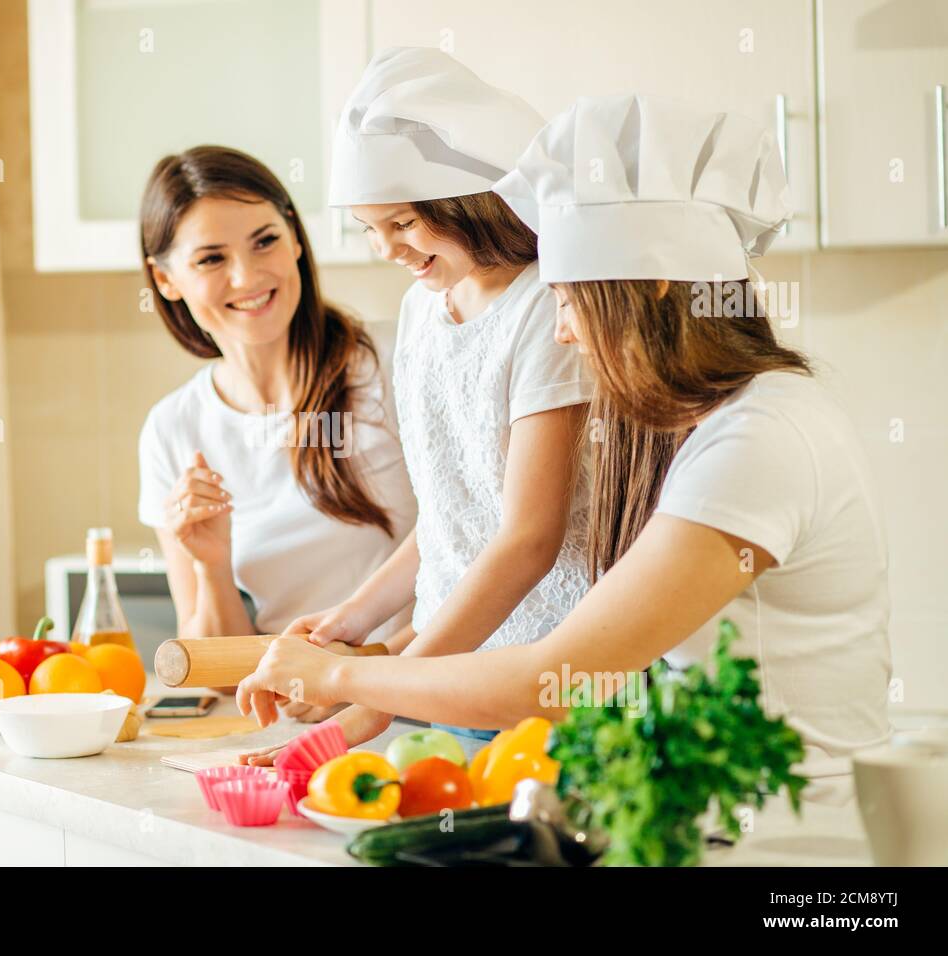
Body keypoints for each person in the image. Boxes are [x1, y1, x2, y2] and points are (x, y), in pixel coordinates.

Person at [237, 95, 892, 802]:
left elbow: (558, 675)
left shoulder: (761, 440)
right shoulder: (708, 428)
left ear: (654, 284)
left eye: (571, 301)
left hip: (800, 834)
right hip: (713, 812)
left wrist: (341, 678)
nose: (562, 334)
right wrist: (374, 656)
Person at [244, 48, 594, 761]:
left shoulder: (546, 308)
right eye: (371, 229)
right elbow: (452, 517)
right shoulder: (422, 309)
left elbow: (530, 538)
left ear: (467, 198)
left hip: (539, 688)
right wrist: (350, 620)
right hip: (449, 679)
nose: (388, 249)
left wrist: (378, 690)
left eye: (403, 223)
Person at [137, 146, 418, 718]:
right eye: (211, 259)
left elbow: (475, 553)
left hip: (428, 700)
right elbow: (217, 670)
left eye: (264, 240)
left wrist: (364, 674)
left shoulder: (394, 362)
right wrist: (212, 564)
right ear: (165, 279)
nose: (247, 276)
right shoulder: (173, 429)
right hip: (296, 729)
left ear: (294, 238)